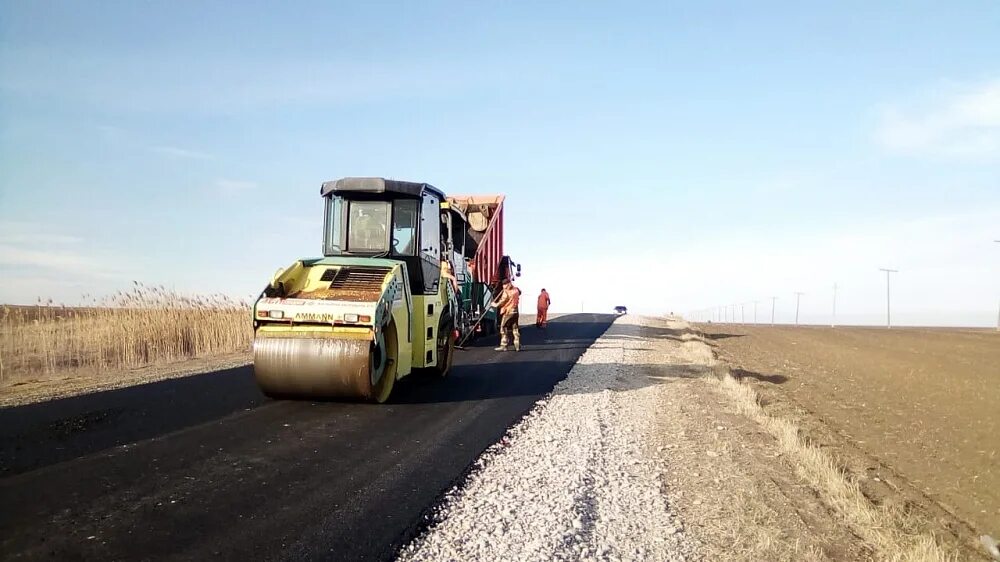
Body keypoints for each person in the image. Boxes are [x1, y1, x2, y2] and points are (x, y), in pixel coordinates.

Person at [491, 279, 521, 352]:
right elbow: (519, 292)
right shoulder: (516, 290)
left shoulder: (506, 292)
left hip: (508, 312)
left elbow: (502, 301)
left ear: (507, 284)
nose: (504, 286)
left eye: (504, 285)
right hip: (515, 312)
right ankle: (517, 345)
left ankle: (503, 345)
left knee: (503, 327)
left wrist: (495, 305)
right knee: (515, 328)